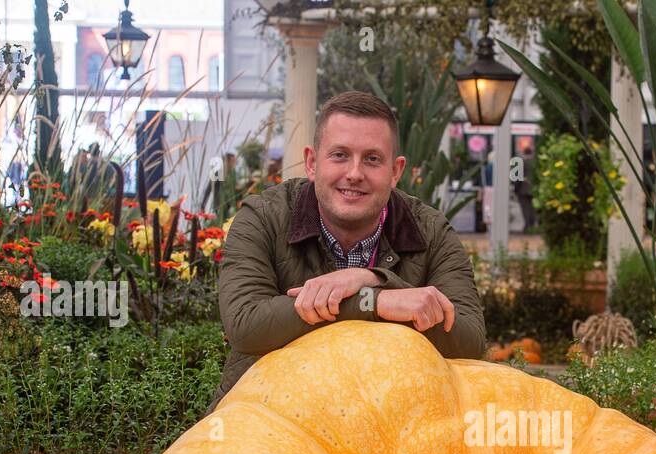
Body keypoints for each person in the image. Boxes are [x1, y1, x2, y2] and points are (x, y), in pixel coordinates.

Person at [206, 91, 487, 415]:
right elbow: (246, 326)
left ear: (395, 171)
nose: (354, 173)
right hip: (268, 422)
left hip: (395, 425)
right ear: (312, 162)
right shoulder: (264, 218)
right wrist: (376, 301)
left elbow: (470, 342)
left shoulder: (432, 232)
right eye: (340, 155)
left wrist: (370, 278)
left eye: (372, 159)